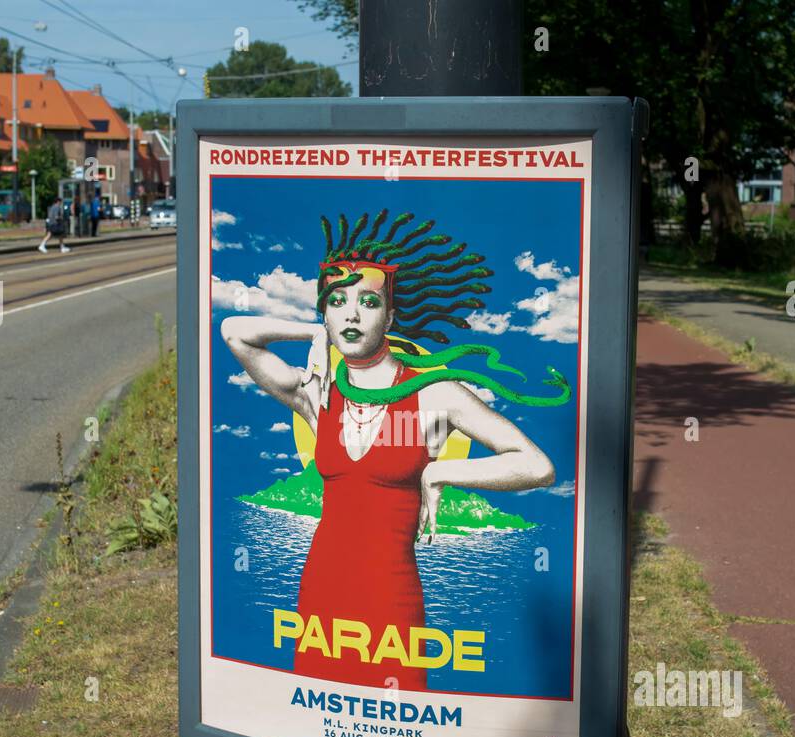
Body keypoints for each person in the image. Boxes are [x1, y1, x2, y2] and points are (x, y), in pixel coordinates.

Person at [220, 210, 567, 689]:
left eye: (368, 300)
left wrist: (441, 474)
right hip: (322, 592)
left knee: (402, 726)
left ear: (390, 314)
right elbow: (234, 332)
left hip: (392, 594)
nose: (351, 314)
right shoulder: (317, 393)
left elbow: (537, 465)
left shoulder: (433, 393)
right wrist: (313, 333)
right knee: (325, 719)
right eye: (337, 302)